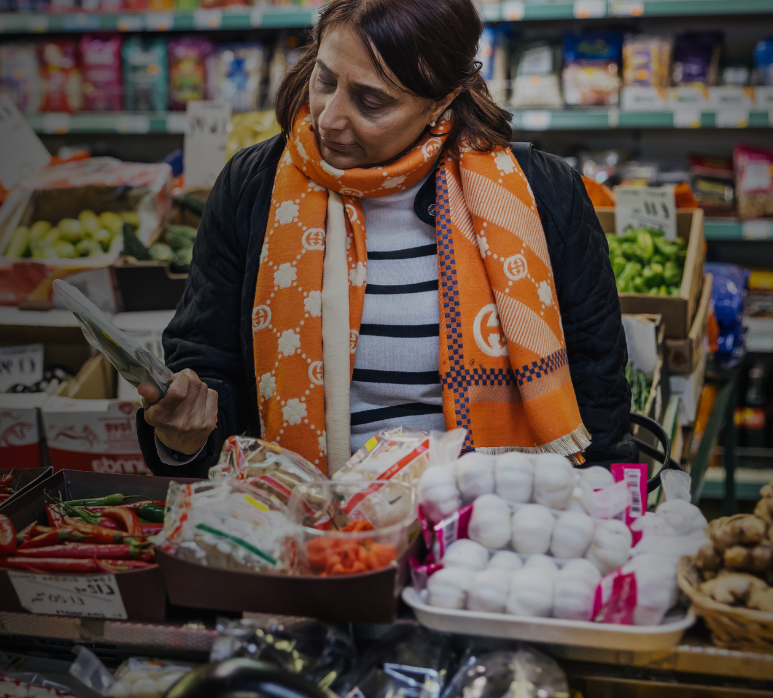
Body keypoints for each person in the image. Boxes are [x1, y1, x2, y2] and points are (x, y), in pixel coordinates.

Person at [137, 0, 633, 476]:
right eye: (324, 79)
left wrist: (606, 502)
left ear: (441, 100)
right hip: (309, 516)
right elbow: (208, 365)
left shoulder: (540, 194)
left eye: (371, 101)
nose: (329, 118)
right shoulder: (254, 187)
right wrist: (185, 431)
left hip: (491, 517)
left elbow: (598, 385)